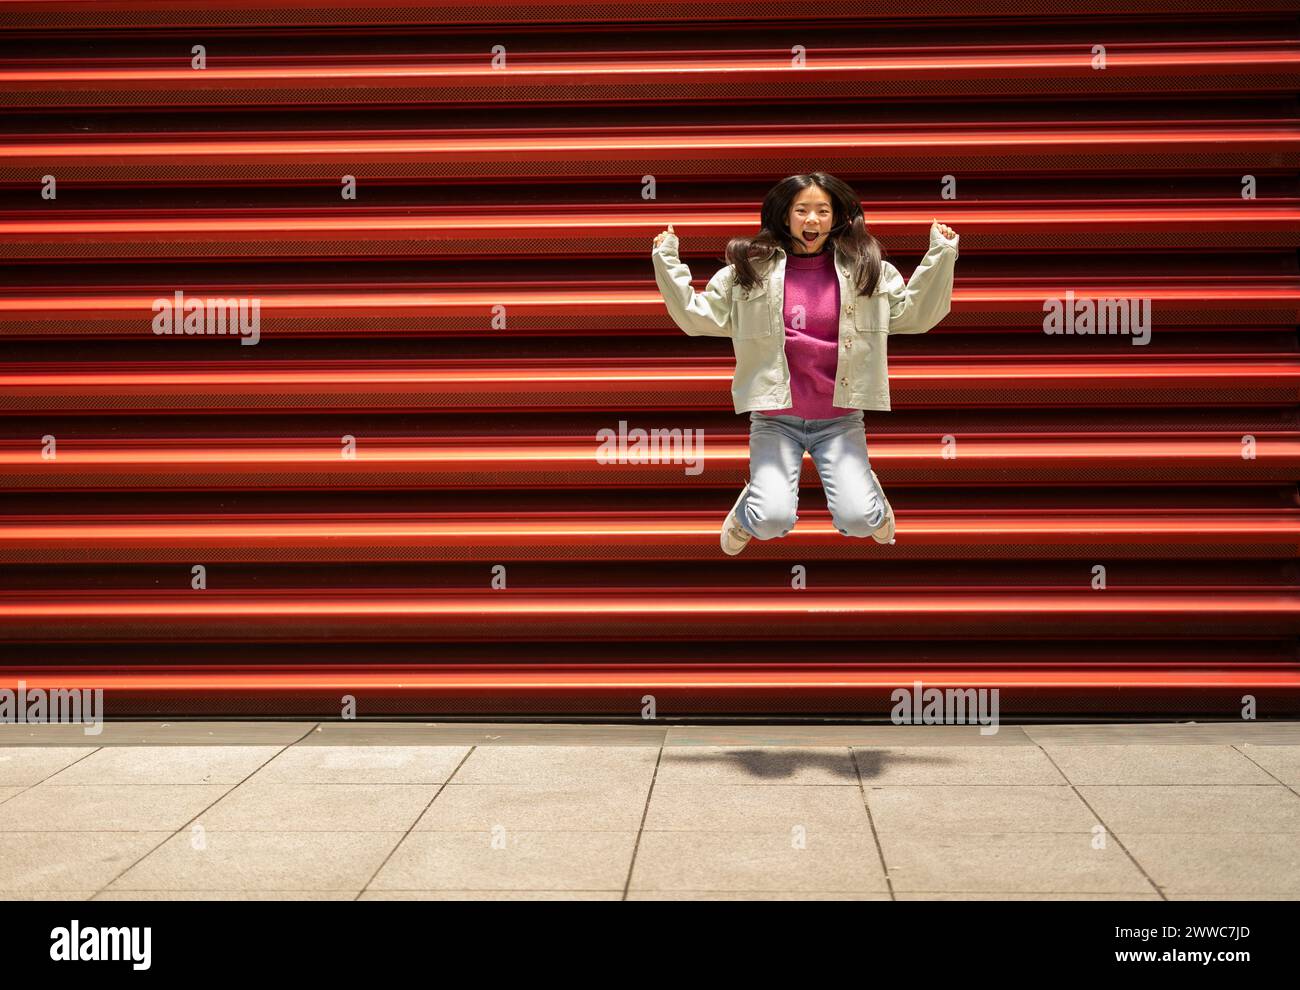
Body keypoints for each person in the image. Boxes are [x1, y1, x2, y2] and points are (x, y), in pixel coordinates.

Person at [651, 171, 959, 555]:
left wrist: (941, 254)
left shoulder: (865, 269)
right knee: (769, 520)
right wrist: (666, 259)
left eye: (822, 211)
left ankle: (869, 495)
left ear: (837, 218)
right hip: (775, 419)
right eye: (801, 210)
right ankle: (750, 509)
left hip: (840, 420)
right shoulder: (752, 271)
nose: (811, 220)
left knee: (860, 519)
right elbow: (699, 315)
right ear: (785, 216)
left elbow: (914, 314)